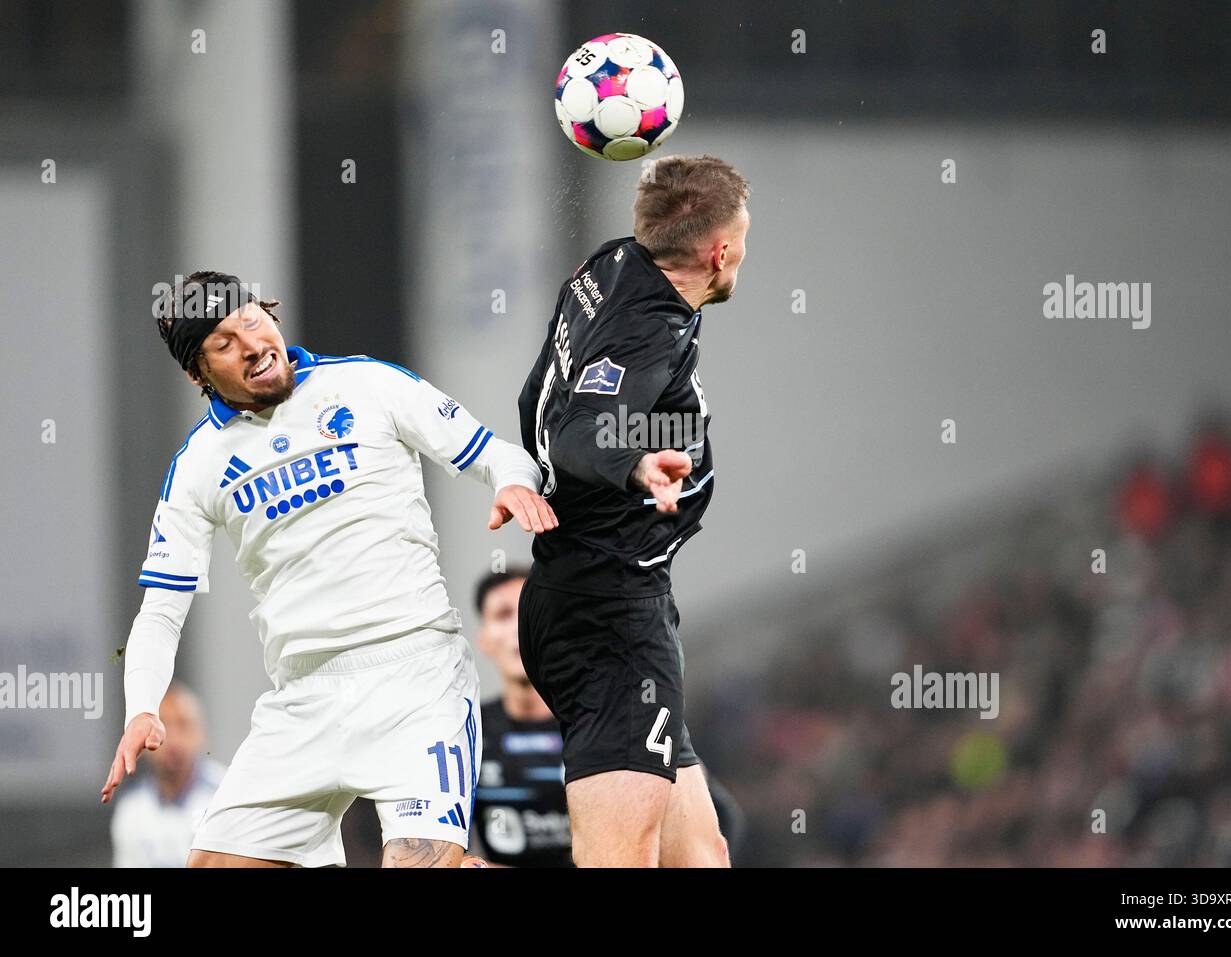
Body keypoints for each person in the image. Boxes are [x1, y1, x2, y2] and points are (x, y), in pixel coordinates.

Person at [100, 272, 556, 868]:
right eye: (223, 342)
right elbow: (161, 610)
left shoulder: (368, 384)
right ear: (198, 374)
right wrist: (141, 708)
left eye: (253, 321)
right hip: (302, 699)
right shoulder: (197, 467)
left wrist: (514, 484)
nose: (251, 343)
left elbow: (496, 452)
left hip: (415, 680)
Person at [517, 155, 751, 866]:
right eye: (744, 233)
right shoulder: (649, 324)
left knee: (701, 854)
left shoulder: (612, 266)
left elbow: (538, 403)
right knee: (622, 857)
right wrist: (635, 461)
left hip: (610, 597)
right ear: (720, 250)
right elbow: (576, 430)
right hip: (611, 616)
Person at [470, 568, 745, 867]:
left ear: (547, 626)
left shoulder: (617, 719)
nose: (516, 628)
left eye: (525, 611)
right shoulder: (470, 733)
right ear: (484, 639)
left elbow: (720, 823)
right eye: (502, 615)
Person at [110, 683, 226, 867]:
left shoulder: (228, 797)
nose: (172, 739)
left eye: (183, 725)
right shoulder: (131, 810)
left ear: (201, 733)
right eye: (162, 727)